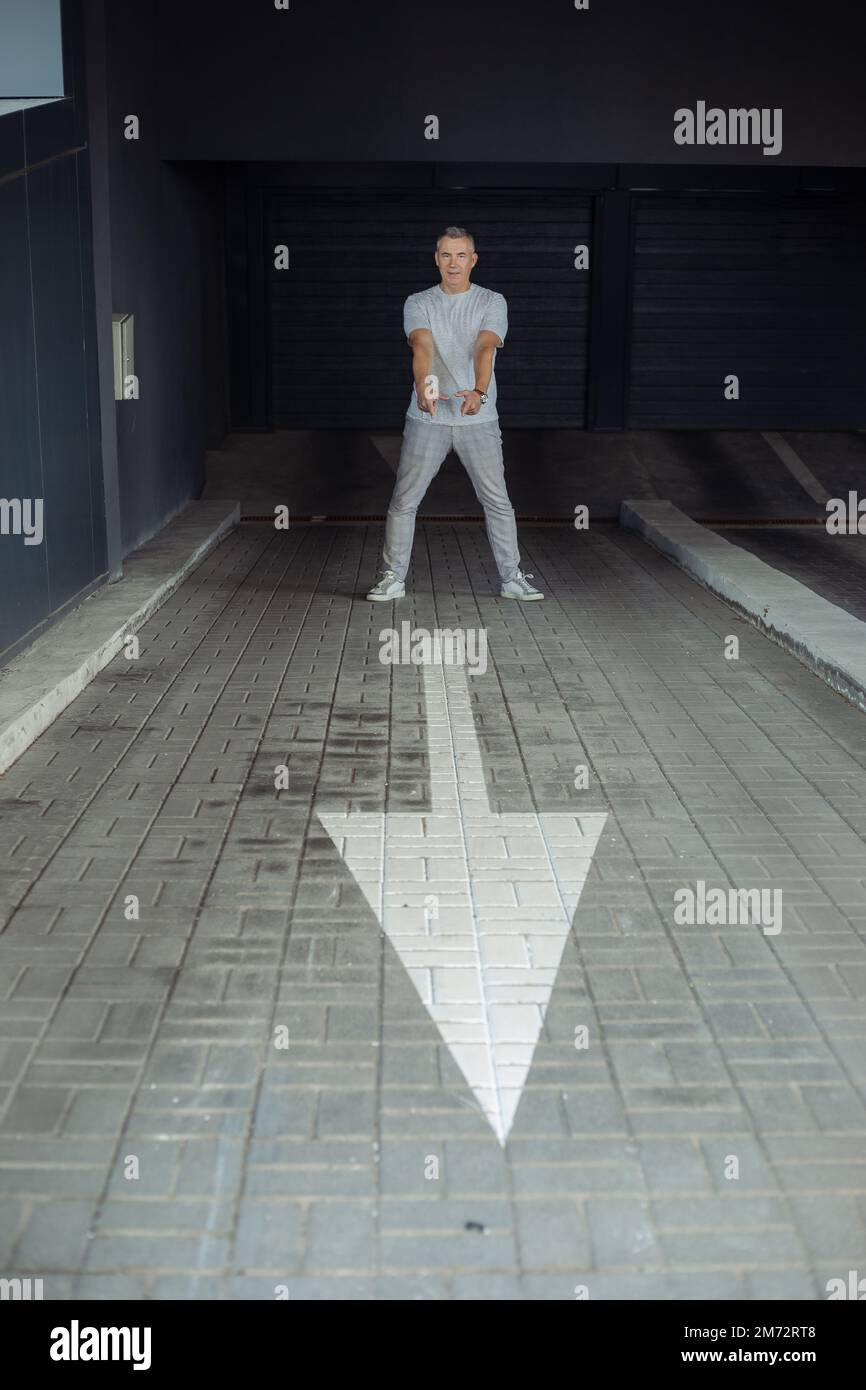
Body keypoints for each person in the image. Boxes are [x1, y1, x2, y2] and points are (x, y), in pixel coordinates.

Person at [366, 225, 543, 602]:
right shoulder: (419, 301)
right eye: (446, 255)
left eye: (461, 255)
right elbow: (422, 346)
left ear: (473, 260)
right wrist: (426, 391)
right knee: (404, 500)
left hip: (477, 418)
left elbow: (485, 346)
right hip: (427, 418)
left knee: (497, 501)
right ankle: (392, 578)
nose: (453, 263)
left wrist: (479, 390)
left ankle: (512, 578)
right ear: (436, 259)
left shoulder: (492, 301)